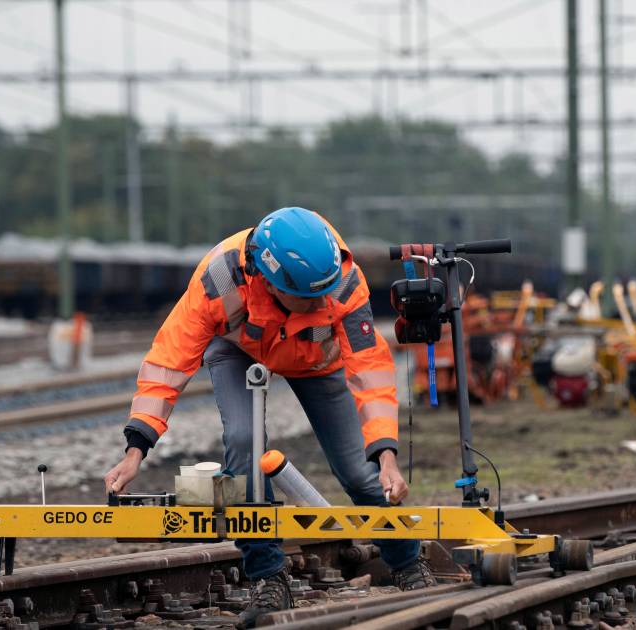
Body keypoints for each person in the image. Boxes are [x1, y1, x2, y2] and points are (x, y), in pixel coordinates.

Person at [103, 207, 435, 626]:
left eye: (324, 292)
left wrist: (385, 452)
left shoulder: (343, 279)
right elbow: (168, 363)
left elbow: (369, 368)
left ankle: (408, 564)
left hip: (319, 362)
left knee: (361, 470)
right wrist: (136, 448)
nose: (321, 301)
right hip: (238, 350)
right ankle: (268, 576)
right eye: (309, 297)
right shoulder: (217, 279)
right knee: (243, 445)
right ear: (267, 277)